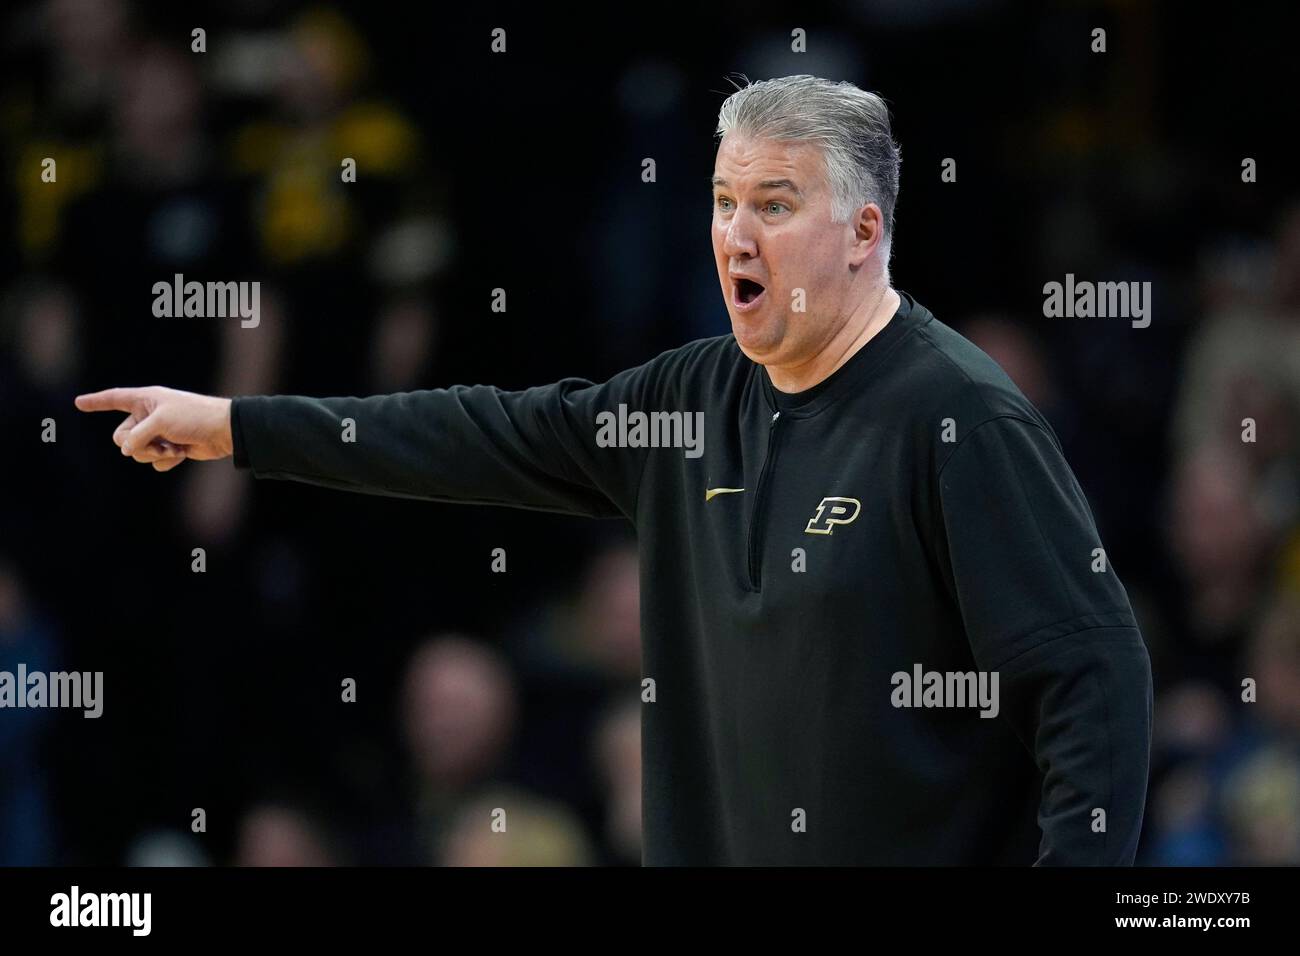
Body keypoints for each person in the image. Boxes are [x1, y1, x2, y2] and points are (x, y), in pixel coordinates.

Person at [76, 74, 1152, 865]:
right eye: (724, 201)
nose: (735, 232)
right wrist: (239, 424)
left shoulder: (957, 415)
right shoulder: (686, 402)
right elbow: (475, 431)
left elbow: (1095, 680)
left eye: (773, 204)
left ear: (864, 229)